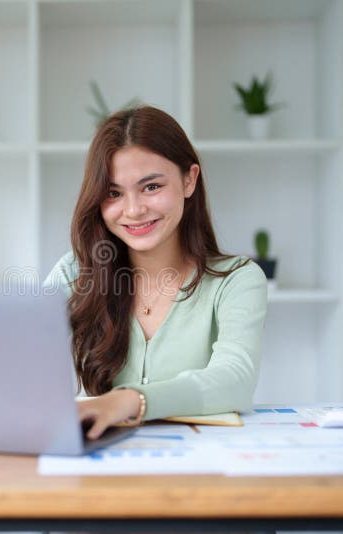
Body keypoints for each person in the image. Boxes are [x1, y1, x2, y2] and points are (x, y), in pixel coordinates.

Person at [44, 106, 268, 440]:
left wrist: (128, 402)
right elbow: (15, 359)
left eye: (151, 187)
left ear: (189, 180)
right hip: (100, 468)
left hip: (200, 472)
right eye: (114, 193)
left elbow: (234, 379)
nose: (133, 210)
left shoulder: (237, 280)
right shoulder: (73, 274)